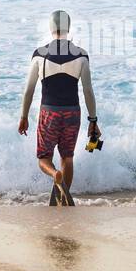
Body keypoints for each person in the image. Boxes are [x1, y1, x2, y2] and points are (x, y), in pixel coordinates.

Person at [18, 10, 100, 205]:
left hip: (49, 113)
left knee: (44, 158)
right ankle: (64, 195)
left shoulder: (39, 54)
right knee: (68, 157)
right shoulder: (81, 55)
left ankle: (55, 174)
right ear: (68, 28)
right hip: (73, 112)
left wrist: (23, 116)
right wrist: (93, 120)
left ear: (50, 28)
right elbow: (88, 91)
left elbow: (29, 90)